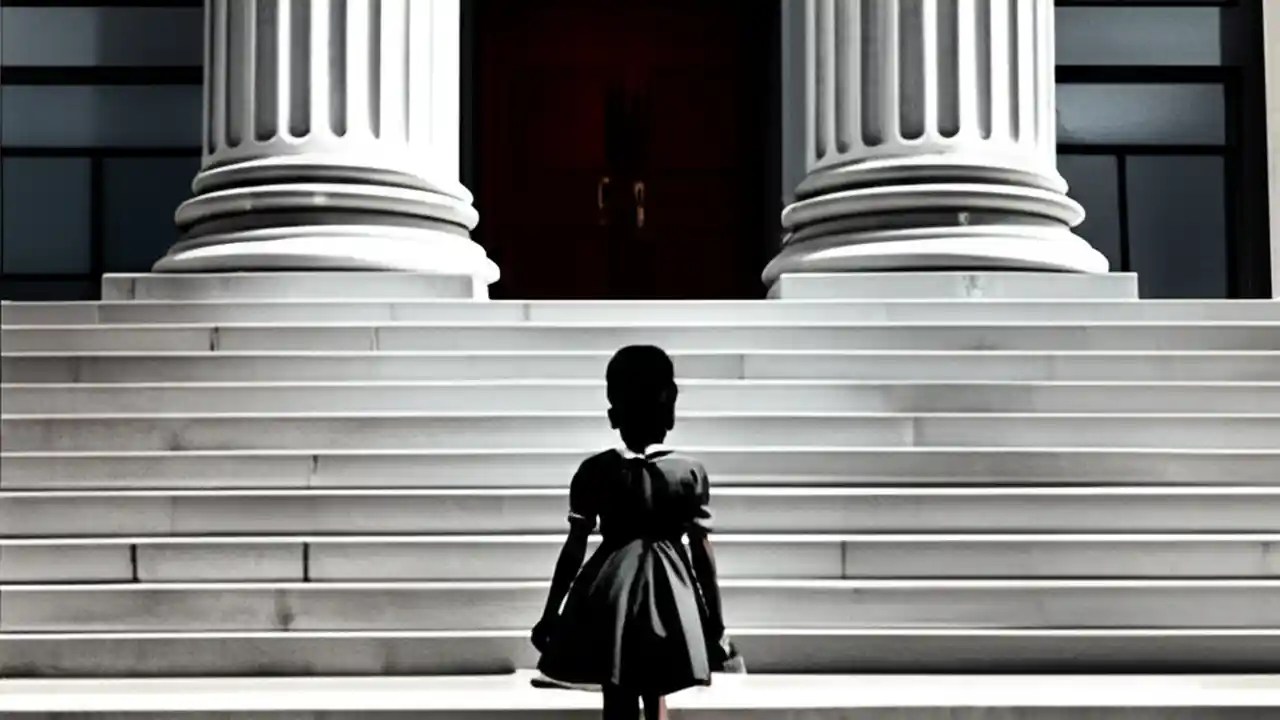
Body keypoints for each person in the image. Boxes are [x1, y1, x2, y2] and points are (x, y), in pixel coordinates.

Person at [531, 345, 727, 720]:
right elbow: (702, 553)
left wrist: (550, 612)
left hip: (609, 593)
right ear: (669, 410)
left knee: (616, 686)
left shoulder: (594, 471)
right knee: (657, 687)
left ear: (613, 414)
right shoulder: (689, 473)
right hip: (669, 592)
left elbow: (574, 548)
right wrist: (714, 620)